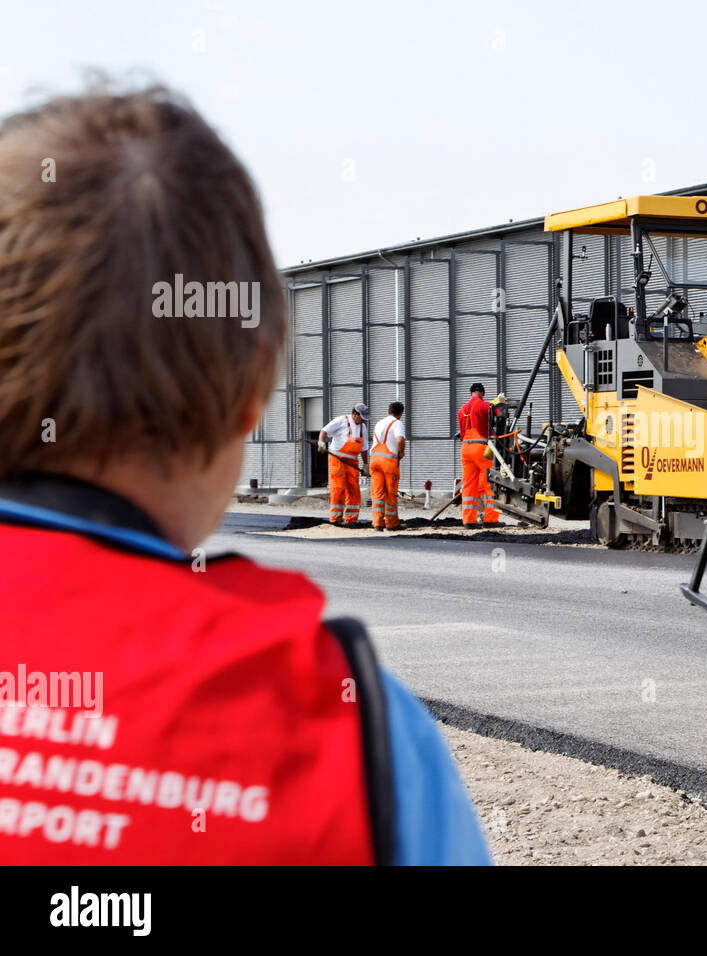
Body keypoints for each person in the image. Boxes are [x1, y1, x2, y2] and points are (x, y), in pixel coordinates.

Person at [0, 84, 490, 864]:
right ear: (250, 391)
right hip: (369, 471)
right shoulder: (357, 734)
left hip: (372, 470)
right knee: (372, 494)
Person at [457, 383, 500, 528]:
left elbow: (462, 432)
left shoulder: (462, 409)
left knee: (469, 485)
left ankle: (468, 521)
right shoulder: (485, 406)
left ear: (470, 393)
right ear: (483, 393)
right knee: (490, 483)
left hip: (465, 448)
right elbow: (499, 416)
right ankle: (490, 519)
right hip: (481, 448)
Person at [318, 403, 369, 526]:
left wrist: (366, 465)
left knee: (354, 490)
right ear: (355, 414)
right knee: (339, 487)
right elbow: (324, 431)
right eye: (361, 417)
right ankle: (336, 518)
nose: (363, 420)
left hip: (352, 462)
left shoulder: (363, 428)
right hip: (337, 459)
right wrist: (321, 442)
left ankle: (351, 519)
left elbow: (364, 448)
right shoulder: (341, 421)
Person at [370, 402, 407, 531]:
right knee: (391, 494)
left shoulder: (379, 423)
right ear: (401, 413)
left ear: (388, 411)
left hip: (374, 461)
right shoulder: (397, 423)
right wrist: (401, 452)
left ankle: (378, 523)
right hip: (388, 462)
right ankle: (391, 523)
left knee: (377, 493)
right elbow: (400, 440)